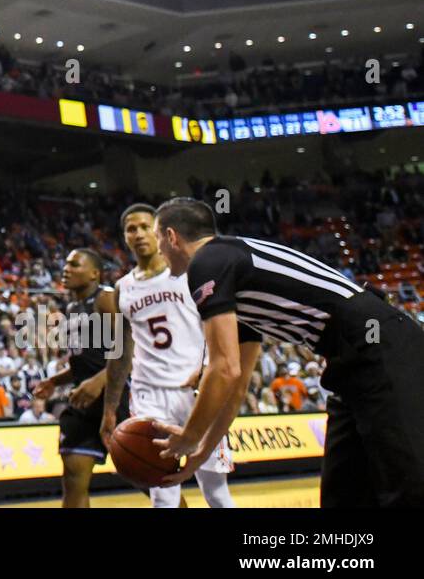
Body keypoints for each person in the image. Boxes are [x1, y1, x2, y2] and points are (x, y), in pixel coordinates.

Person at [151, 197, 424, 507]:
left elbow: (224, 369)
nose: (158, 248)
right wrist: (201, 451)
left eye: (157, 236)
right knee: (343, 494)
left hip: (378, 343)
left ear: (171, 236)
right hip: (351, 355)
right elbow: (237, 385)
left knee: (406, 484)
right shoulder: (236, 272)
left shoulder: (206, 262)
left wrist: (189, 435)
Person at [101, 203, 234, 508]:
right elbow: (120, 351)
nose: (138, 234)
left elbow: (219, 326)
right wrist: (110, 408)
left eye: (145, 227)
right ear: (124, 237)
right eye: (130, 229)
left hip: (196, 391)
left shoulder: (190, 271)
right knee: (162, 493)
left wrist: (206, 366)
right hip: (150, 397)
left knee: (215, 492)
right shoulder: (122, 288)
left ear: (160, 231)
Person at [32, 248, 125, 507]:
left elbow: (131, 347)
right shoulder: (72, 307)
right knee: (73, 477)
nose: (66, 269)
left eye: (75, 264)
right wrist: (55, 381)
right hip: (84, 402)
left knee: (147, 477)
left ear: (95, 273)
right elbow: (84, 360)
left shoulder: (105, 298)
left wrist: (101, 379)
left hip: (118, 399)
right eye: (65, 264)